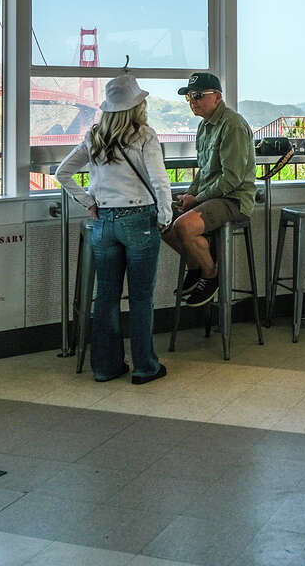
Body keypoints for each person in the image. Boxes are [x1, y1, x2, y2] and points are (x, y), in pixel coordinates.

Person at [55, 74, 172, 384]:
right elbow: (159, 180)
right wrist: (165, 214)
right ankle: (144, 366)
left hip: (104, 222)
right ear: (136, 106)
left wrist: (88, 202)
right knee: (141, 298)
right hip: (139, 220)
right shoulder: (144, 136)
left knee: (105, 296)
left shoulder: (93, 136)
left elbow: (62, 173)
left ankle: (106, 367)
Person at [163, 72, 255, 308]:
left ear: (217, 97)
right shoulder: (205, 127)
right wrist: (189, 195)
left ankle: (211, 274)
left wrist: (197, 198)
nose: (193, 102)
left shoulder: (232, 124)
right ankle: (196, 266)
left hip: (233, 199)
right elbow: (203, 170)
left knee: (184, 226)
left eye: (197, 96)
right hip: (211, 197)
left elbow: (231, 179)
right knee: (161, 219)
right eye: (189, 98)